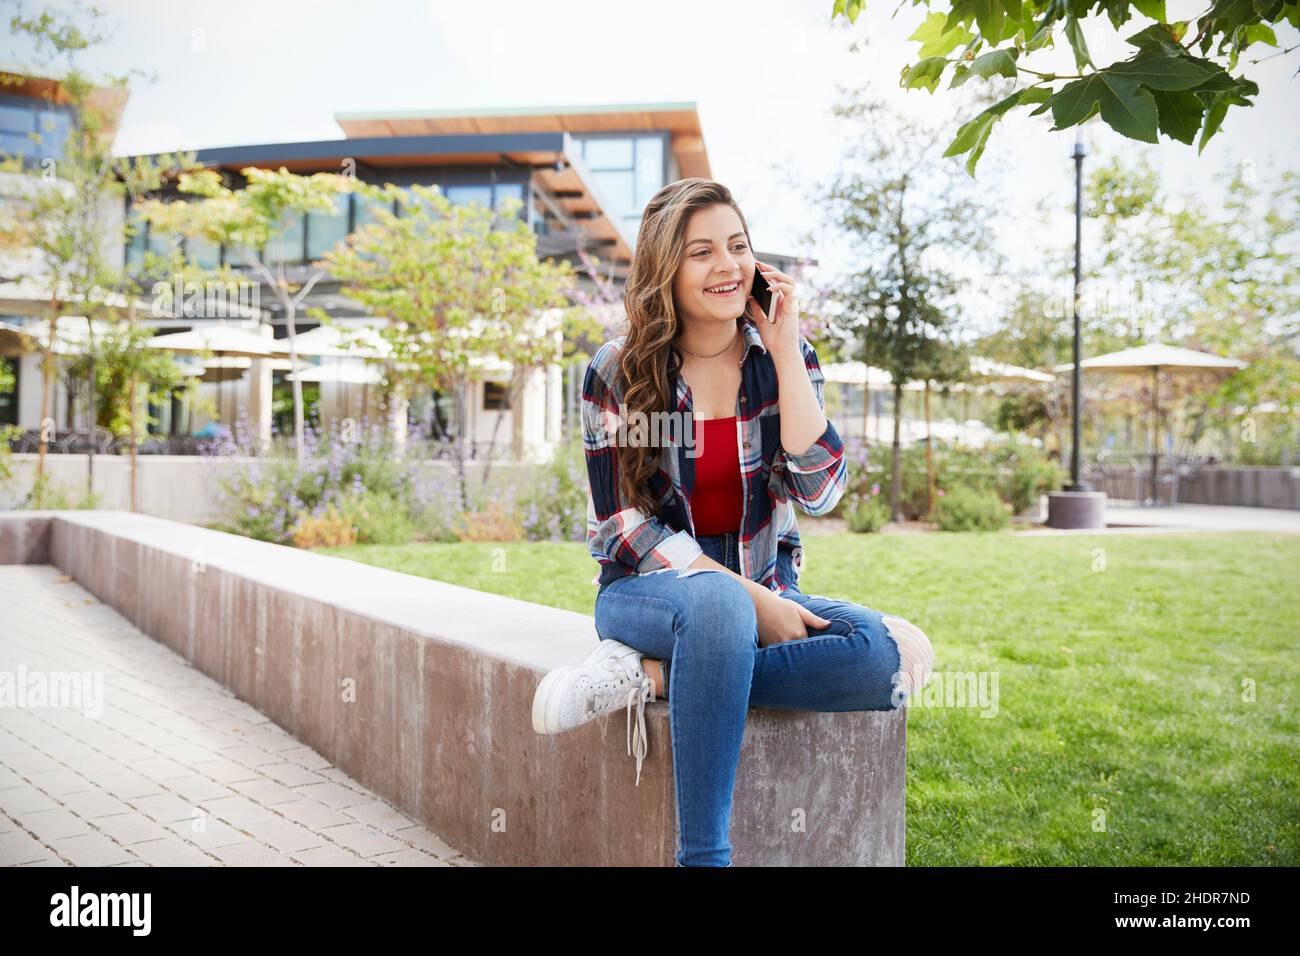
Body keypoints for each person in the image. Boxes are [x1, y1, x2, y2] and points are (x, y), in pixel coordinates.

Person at [531, 178, 935, 867]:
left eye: (738, 246)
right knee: (718, 603)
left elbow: (823, 492)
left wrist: (784, 350)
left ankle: (652, 679)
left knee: (894, 655)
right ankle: (705, 859)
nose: (727, 265)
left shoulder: (785, 362)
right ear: (665, 267)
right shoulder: (617, 370)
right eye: (701, 252)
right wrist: (752, 603)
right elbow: (622, 528)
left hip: (765, 586)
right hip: (647, 593)